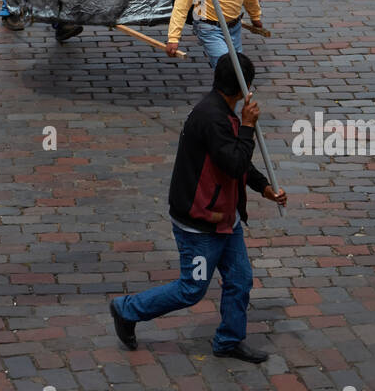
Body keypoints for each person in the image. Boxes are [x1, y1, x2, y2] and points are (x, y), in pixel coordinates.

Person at [110, 51, 286, 363]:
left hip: (225, 220)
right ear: (243, 90)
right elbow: (234, 163)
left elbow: (237, 162)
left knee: (240, 279)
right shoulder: (213, 118)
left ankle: (229, 340)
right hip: (201, 225)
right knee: (192, 288)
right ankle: (127, 309)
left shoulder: (223, 112)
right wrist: (247, 126)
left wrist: (263, 188)